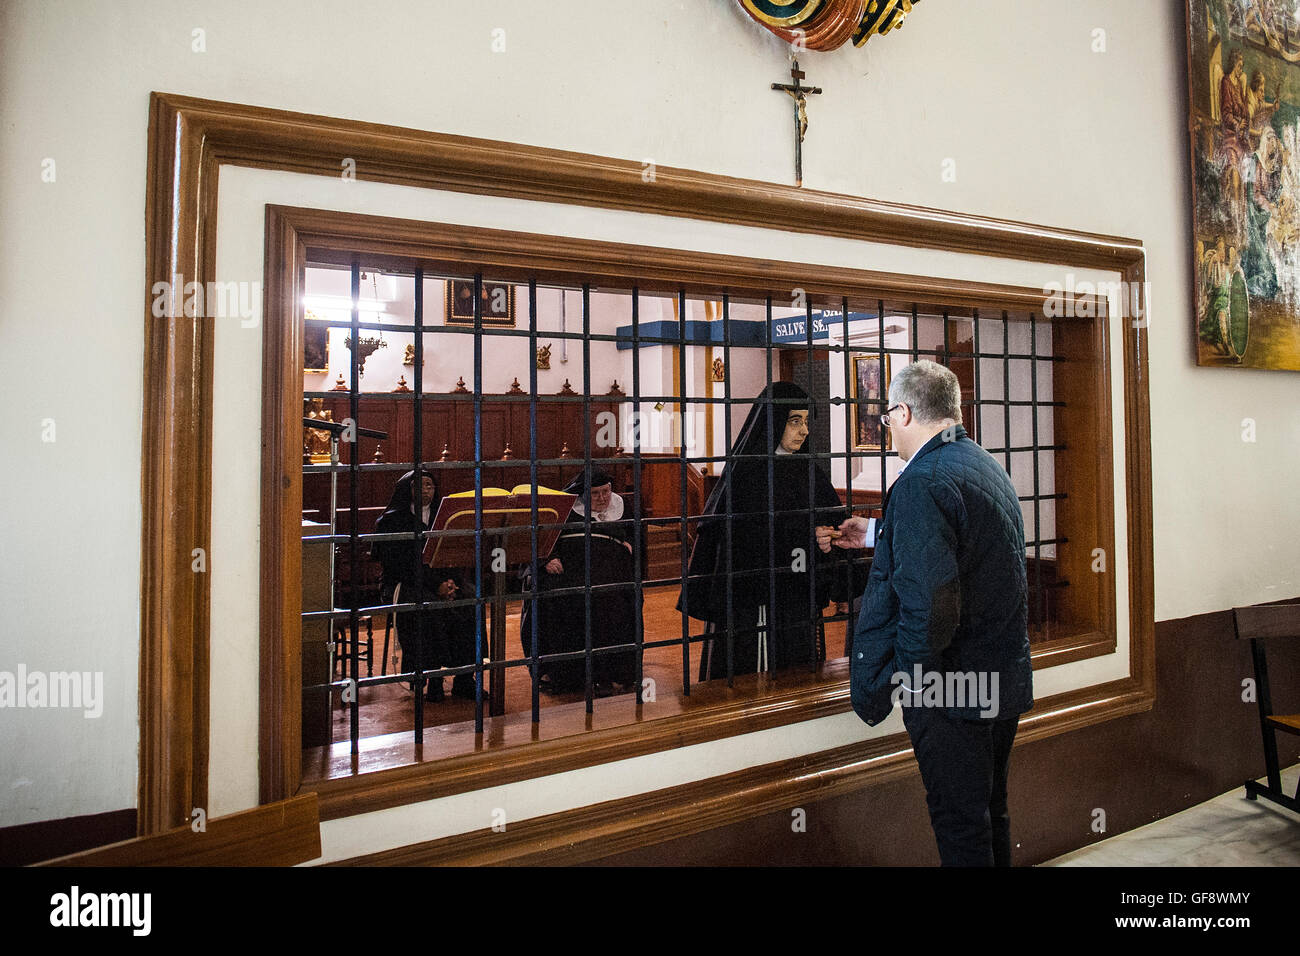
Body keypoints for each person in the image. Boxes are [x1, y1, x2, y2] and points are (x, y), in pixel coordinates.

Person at [824, 360, 1033, 866]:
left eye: (887, 416)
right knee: (990, 812)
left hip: (951, 688)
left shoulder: (920, 480)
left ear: (902, 411)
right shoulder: (980, 462)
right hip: (999, 677)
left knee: (959, 825)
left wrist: (912, 685)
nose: (887, 426)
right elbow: (960, 549)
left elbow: (931, 600)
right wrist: (873, 533)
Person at [681, 381, 859, 680]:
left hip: (800, 597)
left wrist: (830, 539)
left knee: (801, 672)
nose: (804, 431)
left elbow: (834, 524)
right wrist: (806, 537)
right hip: (756, 602)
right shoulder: (747, 473)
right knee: (758, 678)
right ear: (773, 422)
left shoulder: (808, 470)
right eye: (794, 421)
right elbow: (737, 540)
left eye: (805, 422)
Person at [519, 469, 640, 695]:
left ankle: (611, 673)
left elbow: (635, 535)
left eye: (606, 491)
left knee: (610, 599)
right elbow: (541, 536)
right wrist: (548, 558)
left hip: (609, 571)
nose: (603, 498)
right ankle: (563, 674)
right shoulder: (565, 508)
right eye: (595, 493)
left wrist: (629, 543)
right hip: (568, 571)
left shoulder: (623, 506)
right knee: (558, 599)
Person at [372, 470, 479, 701]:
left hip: (444, 579)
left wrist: (450, 582)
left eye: (430, 485)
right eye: (419, 485)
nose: (426, 489)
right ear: (407, 490)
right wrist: (437, 584)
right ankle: (432, 679)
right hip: (404, 582)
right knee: (428, 608)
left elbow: (455, 550)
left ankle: (464, 678)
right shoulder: (392, 520)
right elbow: (397, 564)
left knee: (471, 599)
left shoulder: (446, 516)